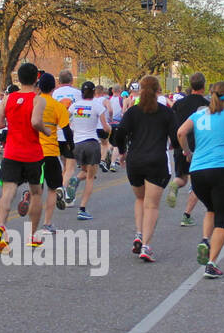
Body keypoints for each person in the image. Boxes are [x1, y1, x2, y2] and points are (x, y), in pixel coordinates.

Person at [176, 81, 224, 278]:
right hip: (220, 170)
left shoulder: (198, 115)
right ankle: (211, 263)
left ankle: (205, 239)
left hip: (198, 171)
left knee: (211, 208)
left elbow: (181, 132)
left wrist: (187, 151)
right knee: (222, 220)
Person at [115, 75, 175, 261]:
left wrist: (122, 151)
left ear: (140, 90)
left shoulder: (132, 112)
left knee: (140, 199)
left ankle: (139, 234)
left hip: (135, 161)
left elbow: (119, 133)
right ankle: (146, 246)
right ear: (158, 91)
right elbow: (175, 136)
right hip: (156, 160)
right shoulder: (166, 112)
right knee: (152, 205)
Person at [0, 63, 48, 254]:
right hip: (32, 153)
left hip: (11, 152)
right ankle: (32, 236)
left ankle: (2, 226)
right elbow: (35, 122)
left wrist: (10, 123)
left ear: (19, 79)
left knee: (8, 192)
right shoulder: (38, 100)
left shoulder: (8, 98)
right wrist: (46, 131)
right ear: (36, 79)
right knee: (36, 193)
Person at [66, 81, 109, 227]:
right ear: (93, 92)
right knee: (91, 177)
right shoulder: (98, 106)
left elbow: (65, 120)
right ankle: (82, 209)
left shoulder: (75, 105)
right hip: (91, 143)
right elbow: (105, 127)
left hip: (77, 144)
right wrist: (111, 131)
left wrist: (73, 128)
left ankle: (76, 179)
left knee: (85, 171)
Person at [168, 72, 208, 226]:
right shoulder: (206, 105)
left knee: (183, 178)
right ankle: (186, 215)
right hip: (198, 147)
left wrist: (174, 142)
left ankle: (175, 184)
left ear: (190, 86)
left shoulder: (179, 104)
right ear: (203, 86)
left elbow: (173, 125)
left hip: (180, 143)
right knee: (198, 183)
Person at [35, 72, 72, 235]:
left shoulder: (34, 103)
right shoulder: (57, 106)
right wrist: (71, 146)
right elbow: (66, 129)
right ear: (53, 87)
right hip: (50, 151)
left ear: (39, 87)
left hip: (33, 151)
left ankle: (28, 199)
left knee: (36, 189)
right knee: (52, 188)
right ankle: (47, 224)